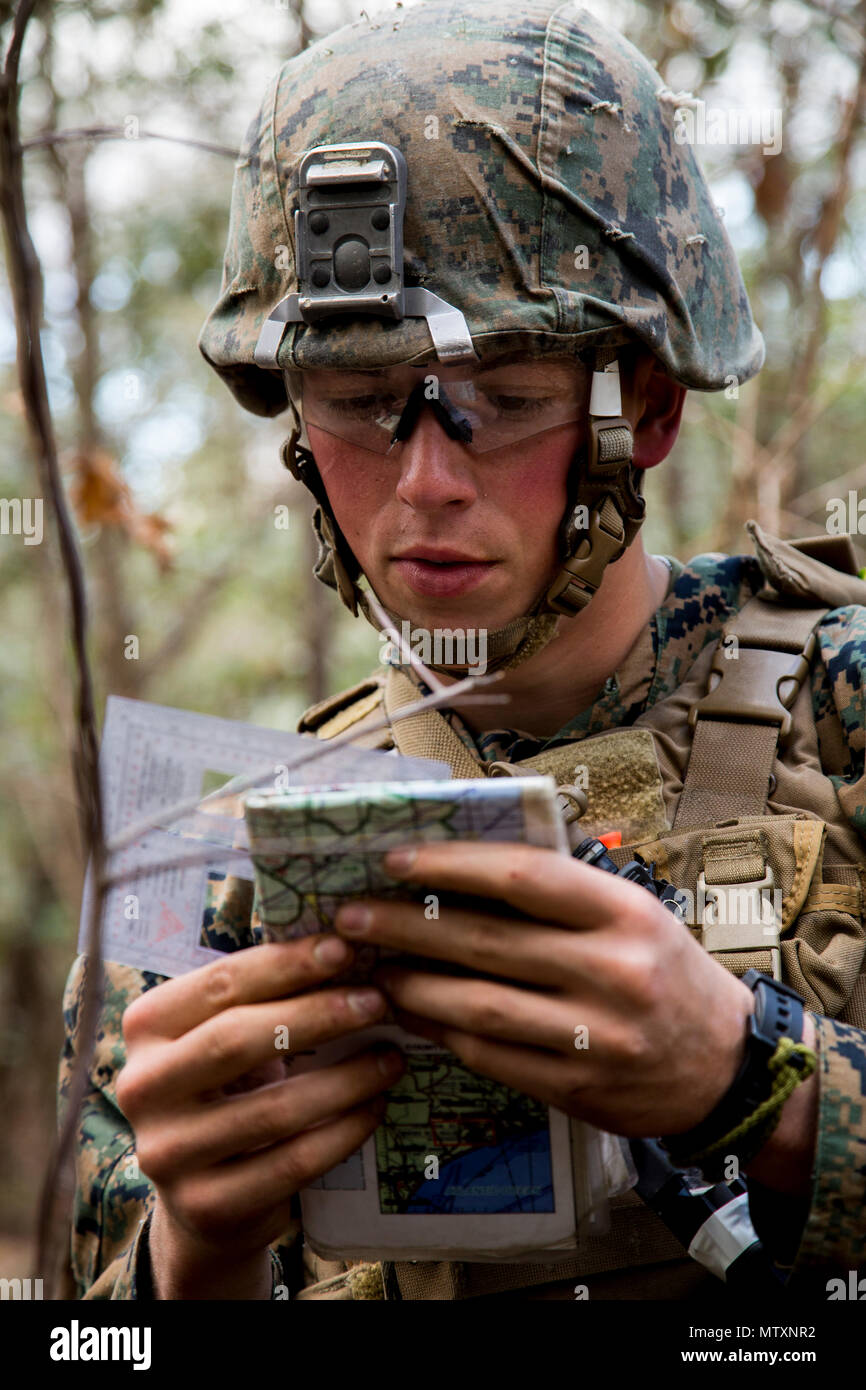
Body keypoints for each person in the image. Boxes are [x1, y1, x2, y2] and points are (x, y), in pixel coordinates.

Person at [60, 0, 866, 1301]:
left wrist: (759, 1083)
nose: (424, 478)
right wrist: (190, 1258)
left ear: (643, 408)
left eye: (499, 401)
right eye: (362, 404)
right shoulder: (192, 864)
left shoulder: (843, 705)